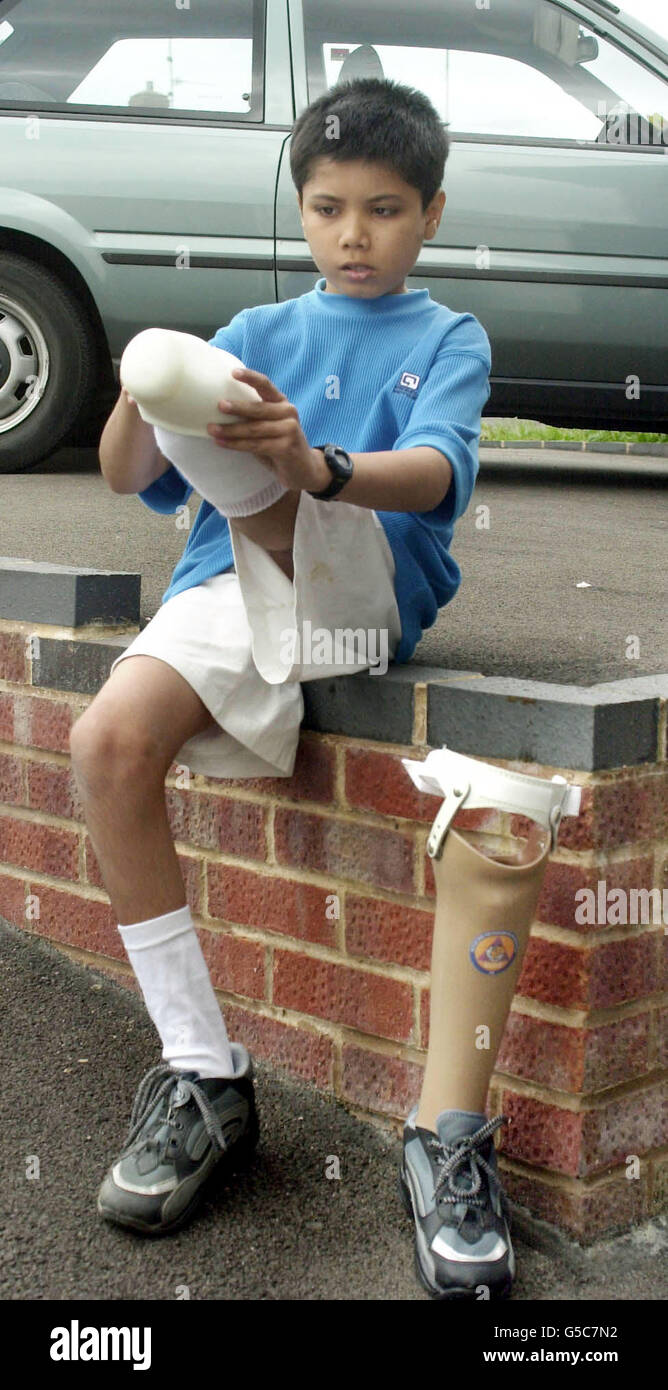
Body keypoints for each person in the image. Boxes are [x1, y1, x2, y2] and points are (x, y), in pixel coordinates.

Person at [68, 75, 559, 1299]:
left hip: (353, 593)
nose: (353, 234)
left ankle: (443, 1139)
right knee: (104, 742)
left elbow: (436, 477)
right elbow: (126, 473)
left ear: (430, 215)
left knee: (268, 468)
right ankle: (201, 1070)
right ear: (301, 211)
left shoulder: (447, 337)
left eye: (383, 209)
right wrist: (144, 385)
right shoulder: (253, 328)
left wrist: (313, 461)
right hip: (226, 588)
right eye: (329, 208)